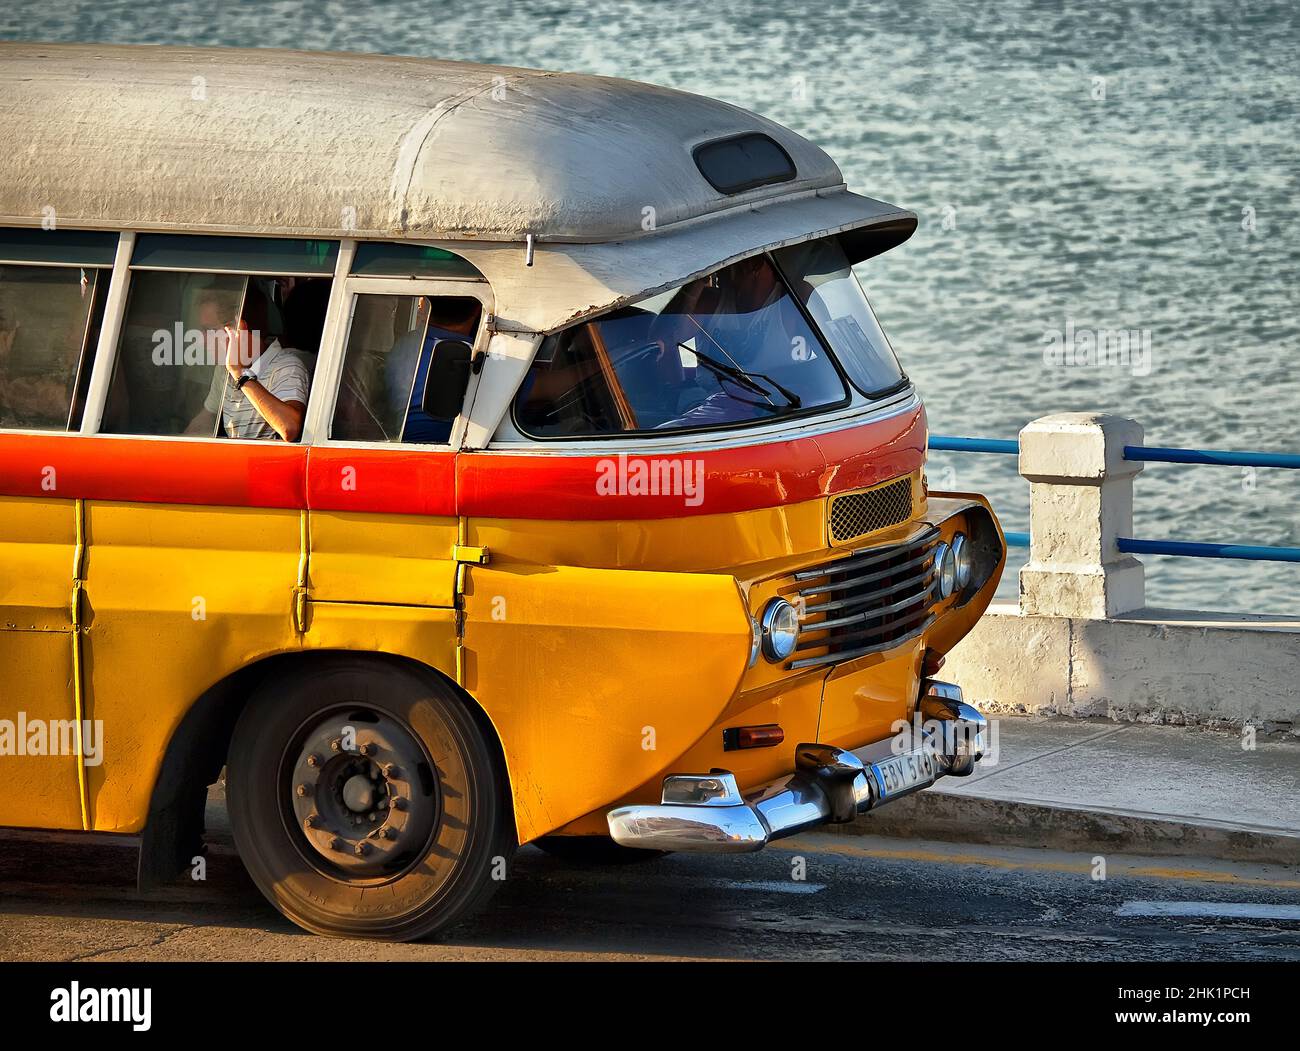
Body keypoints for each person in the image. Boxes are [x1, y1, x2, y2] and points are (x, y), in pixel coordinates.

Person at [186, 282, 309, 442]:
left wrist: (240, 374)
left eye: (209, 330)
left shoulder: (287, 367)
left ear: (239, 329)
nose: (202, 340)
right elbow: (202, 423)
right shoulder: (224, 370)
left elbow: (289, 428)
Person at [383, 296, 480, 443]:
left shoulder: (403, 344)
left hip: (398, 439)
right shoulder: (478, 356)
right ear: (478, 310)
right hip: (448, 444)